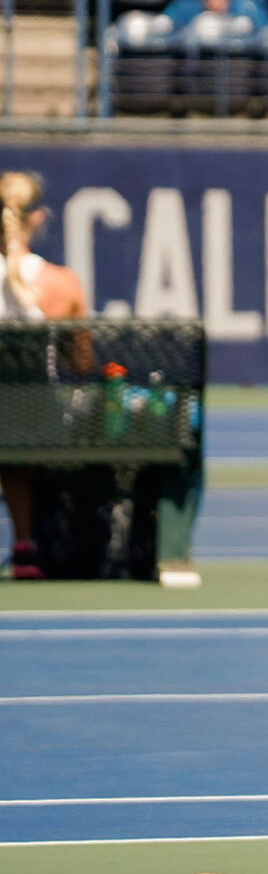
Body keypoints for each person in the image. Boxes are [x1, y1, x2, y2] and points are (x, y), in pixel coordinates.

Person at [1, 172, 90, 581]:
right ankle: (26, 544)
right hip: (37, 423)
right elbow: (81, 363)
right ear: (36, 218)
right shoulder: (60, 283)